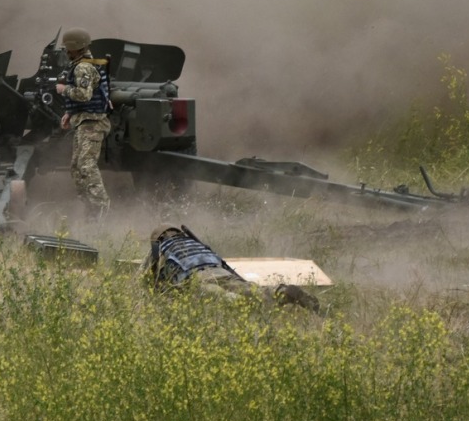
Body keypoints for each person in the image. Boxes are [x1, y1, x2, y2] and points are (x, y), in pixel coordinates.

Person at [144, 225, 318, 310]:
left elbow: (146, 281)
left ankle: (251, 308)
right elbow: (222, 262)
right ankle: (280, 291)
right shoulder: (197, 244)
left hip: (197, 278)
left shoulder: (160, 249)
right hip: (219, 271)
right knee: (252, 291)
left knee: (226, 299)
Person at [55, 27, 112, 219]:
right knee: (76, 167)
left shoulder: (83, 67)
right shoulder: (86, 64)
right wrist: (69, 113)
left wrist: (63, 90)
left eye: (67, 48)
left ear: (74, 48)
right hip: (84, 121)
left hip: (92, 123)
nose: (65, 51)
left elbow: (84, 95)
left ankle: (101, 210)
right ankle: (91, 211)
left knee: (86, 166)